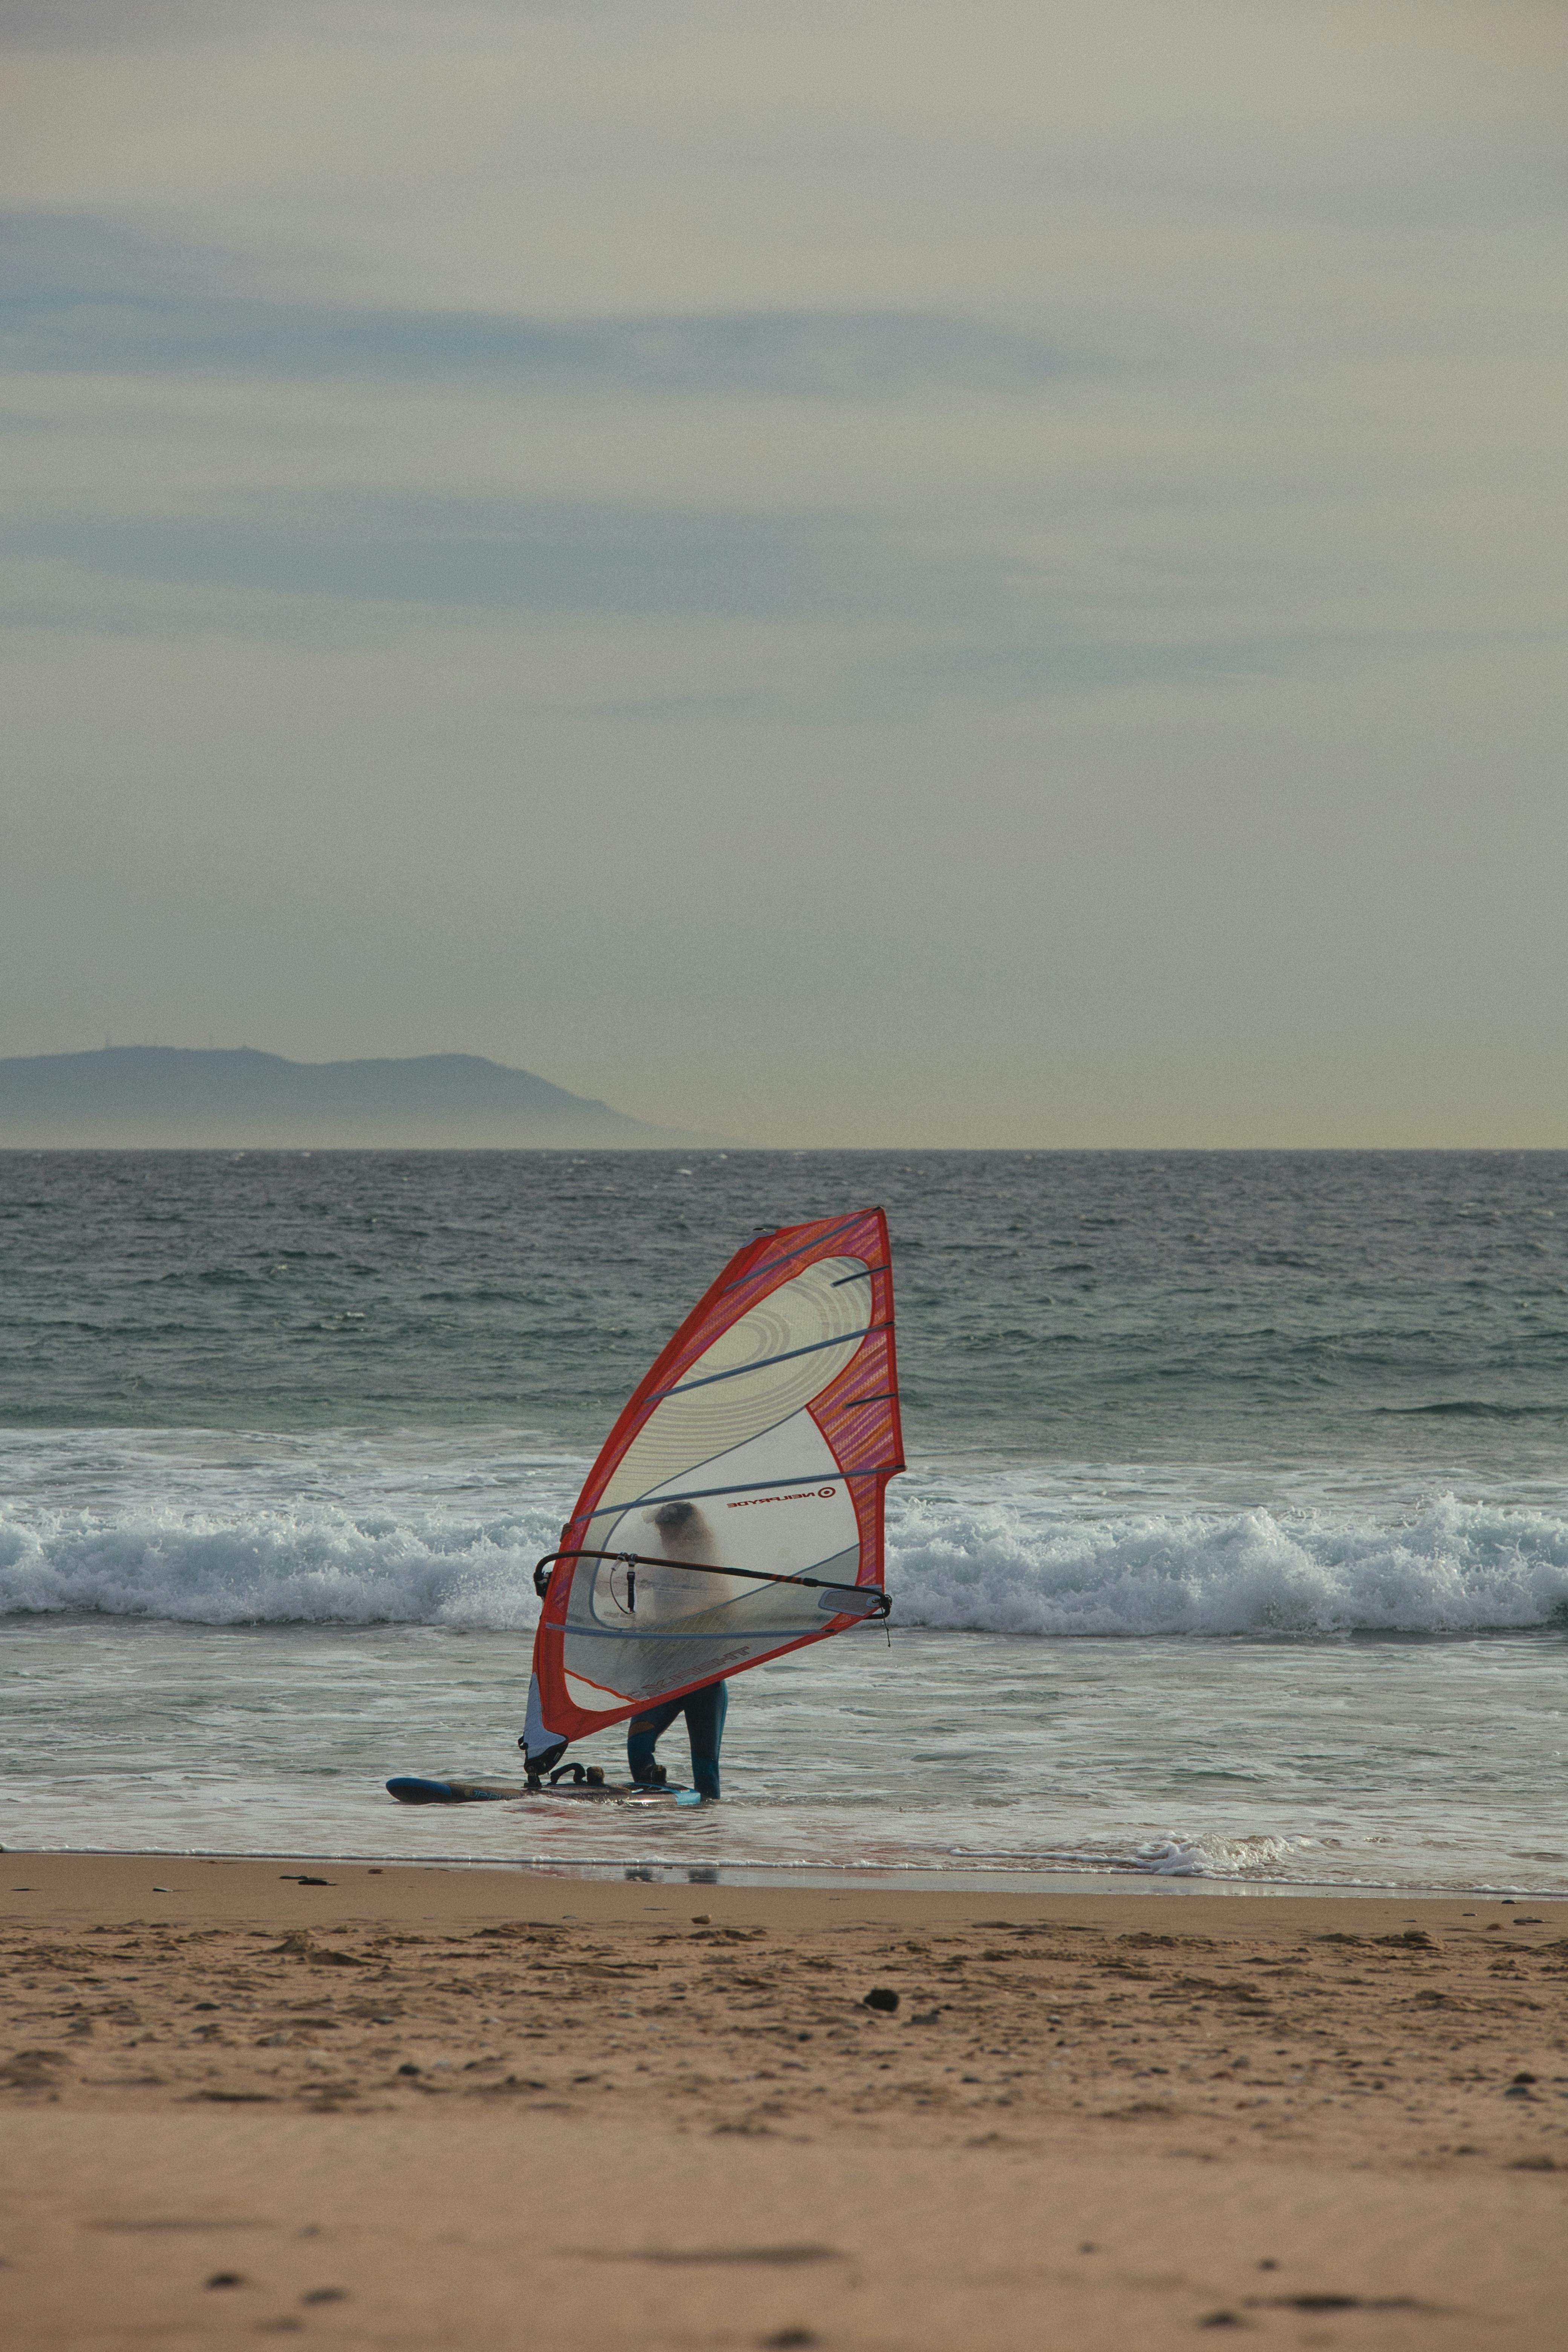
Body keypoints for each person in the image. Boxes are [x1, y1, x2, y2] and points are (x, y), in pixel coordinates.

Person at [628, 1677, 727, 1800]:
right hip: (661, 1680)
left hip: (706, 1683)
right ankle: (650, 1806)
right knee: (638, 1746)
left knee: (706, 1768)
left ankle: (707, 1816)